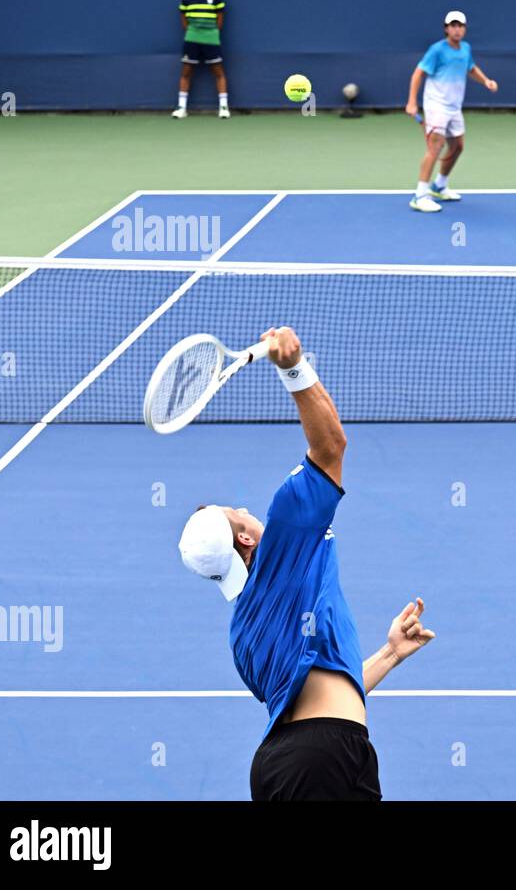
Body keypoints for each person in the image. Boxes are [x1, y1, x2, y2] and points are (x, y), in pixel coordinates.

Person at [177, 326, 435, 800]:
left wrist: (390, 653)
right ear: (246, 537)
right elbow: (331, 446)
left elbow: (323, 700)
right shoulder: (285, 536)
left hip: (301, 760)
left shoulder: (244, 634)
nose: (243, 505)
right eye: (236, 510)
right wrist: (293, 367)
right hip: (323, 760)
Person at [405, 10, 499, 212]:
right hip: (436, 105)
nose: (457, 29)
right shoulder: (436, 50)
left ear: (464, 28)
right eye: (453, 26)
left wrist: (486, 81)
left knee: (457, 146)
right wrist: (412, 101)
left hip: (454, 106)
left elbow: (471, 68)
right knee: (435, 147)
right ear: (446, 28)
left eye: (460, 26)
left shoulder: (465, 48)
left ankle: (439, 186)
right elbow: (418, 73)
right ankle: (420, 195)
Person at [173, 0, 230, 119]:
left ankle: (224, 107)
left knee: (218, 71)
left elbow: (220, 18)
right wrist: (193, 31)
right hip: (192, 38)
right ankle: (181, 107)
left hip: (211, 38)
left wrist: (212, 32)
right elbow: (183, 19)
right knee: (186, 72)